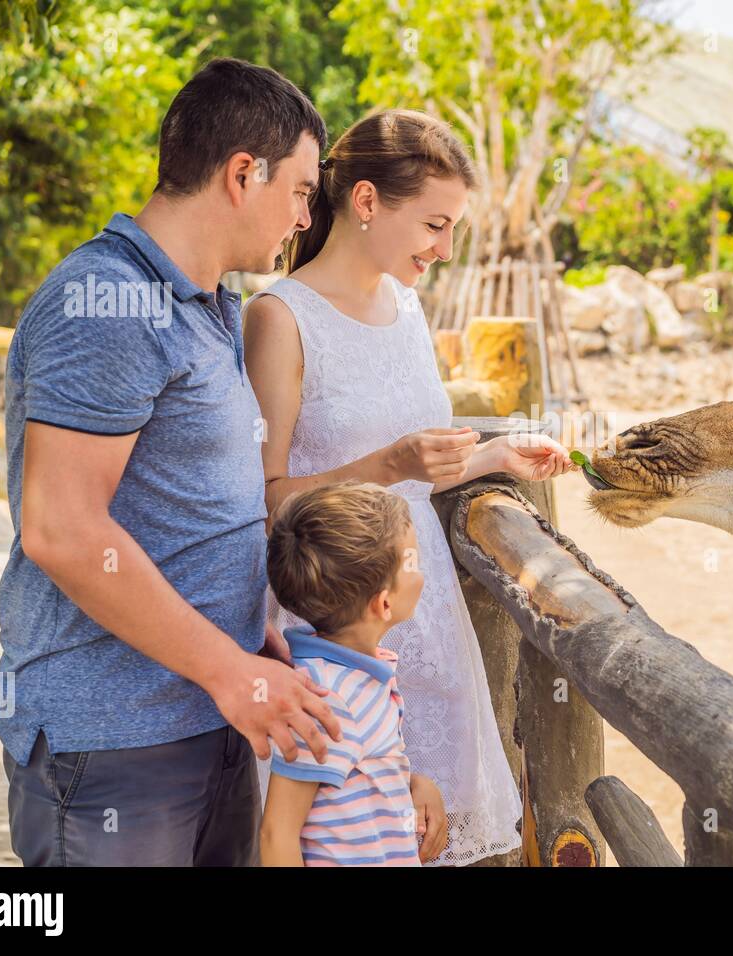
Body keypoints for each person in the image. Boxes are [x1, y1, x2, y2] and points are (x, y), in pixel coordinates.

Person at [0, 58, 344, 866]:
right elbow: (62, 529)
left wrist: (245, 631)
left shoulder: (213, 302)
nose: (302, 218)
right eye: (299, 191)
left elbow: (186, 502)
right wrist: (226, 667)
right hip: (113, 746)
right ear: (241, 174)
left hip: (209, 716)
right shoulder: (108, 303)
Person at [243, 108, 575, 865]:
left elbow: (418, 465)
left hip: (422, 625)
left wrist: (497, 459)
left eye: (453, 228)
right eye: (434, 224)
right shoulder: (279, 318)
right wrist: (388, 467)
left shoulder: (409, 309)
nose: (445, 249)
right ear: (365, 202)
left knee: (423, 837)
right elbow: (264, 500)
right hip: (333, 632)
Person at [260, 482, 429, 866]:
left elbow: (359, 770)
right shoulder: (327, 697)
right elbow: (277, 834)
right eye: (414, 563)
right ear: (384, 603)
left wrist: (416, 785)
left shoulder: (356, 673)